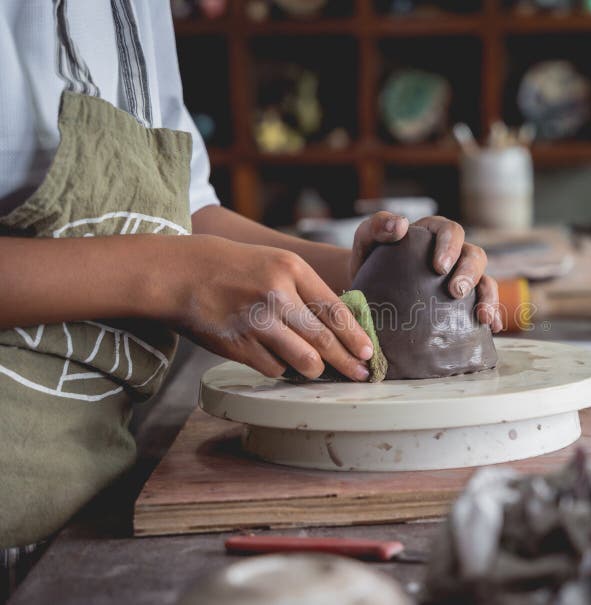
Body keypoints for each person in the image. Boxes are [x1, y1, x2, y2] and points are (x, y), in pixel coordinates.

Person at [0, 0, 500, 597]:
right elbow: (174, 256)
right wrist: (168, 276)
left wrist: (377, 276)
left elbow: (182, 212)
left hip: (99, 487)